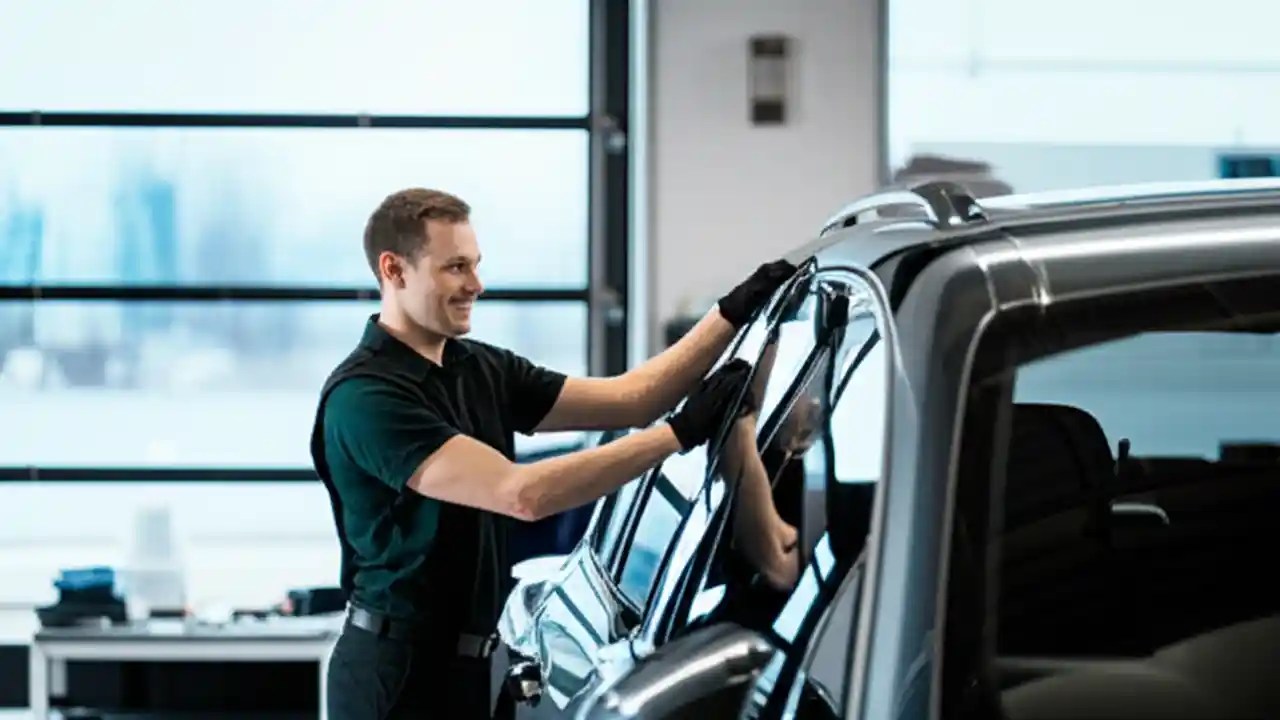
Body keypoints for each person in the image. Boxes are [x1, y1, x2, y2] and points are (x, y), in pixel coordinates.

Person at [309, 187, 796, 719]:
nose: (476, 285)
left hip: (468, 667)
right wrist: (678, 434)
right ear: (394, 270)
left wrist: (731, 312)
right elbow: (522, 494)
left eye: (475, 265)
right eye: (455, 268)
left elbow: (633, 399)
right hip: (395, 675)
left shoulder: (480, 368)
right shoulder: (367, 396)